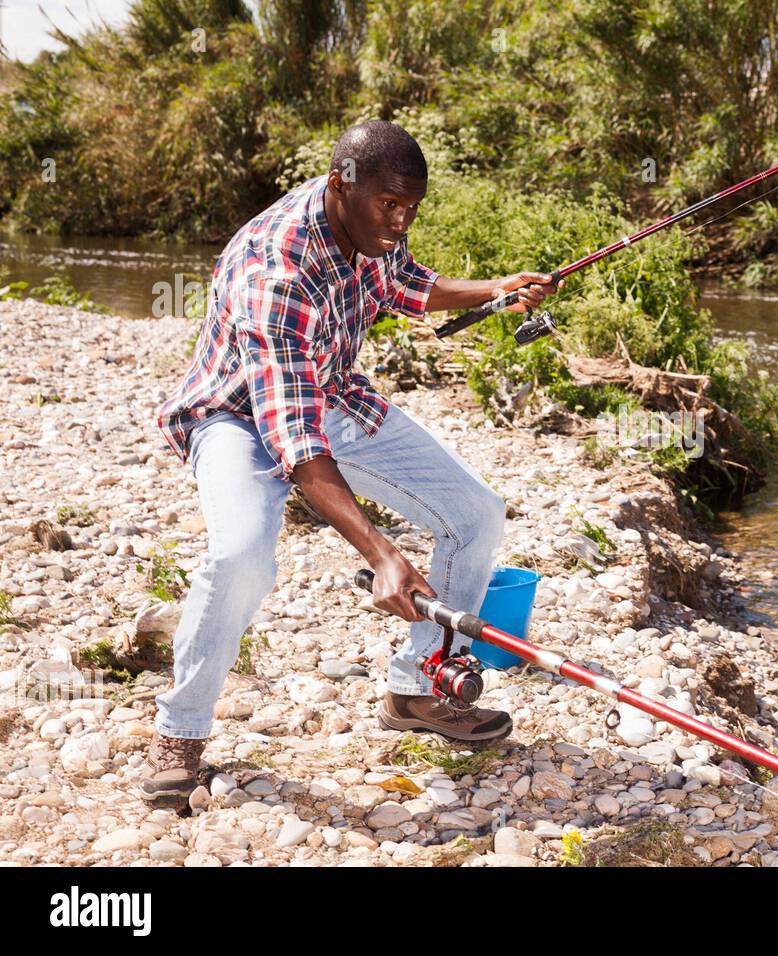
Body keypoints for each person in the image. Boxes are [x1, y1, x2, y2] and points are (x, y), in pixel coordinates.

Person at [141, 120, 560, 802]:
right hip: (236, 416)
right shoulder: (275, 269)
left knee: (477, 515)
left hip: (332, 393)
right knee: (243, 555)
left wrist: (494, 289)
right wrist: (381, 552)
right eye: (389, 206)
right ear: (341, 185)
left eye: (411, 209)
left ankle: (417, 691)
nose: (399, 222)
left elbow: (408, 286)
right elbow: (297, 445)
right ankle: (181, 731)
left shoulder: (371, 227)